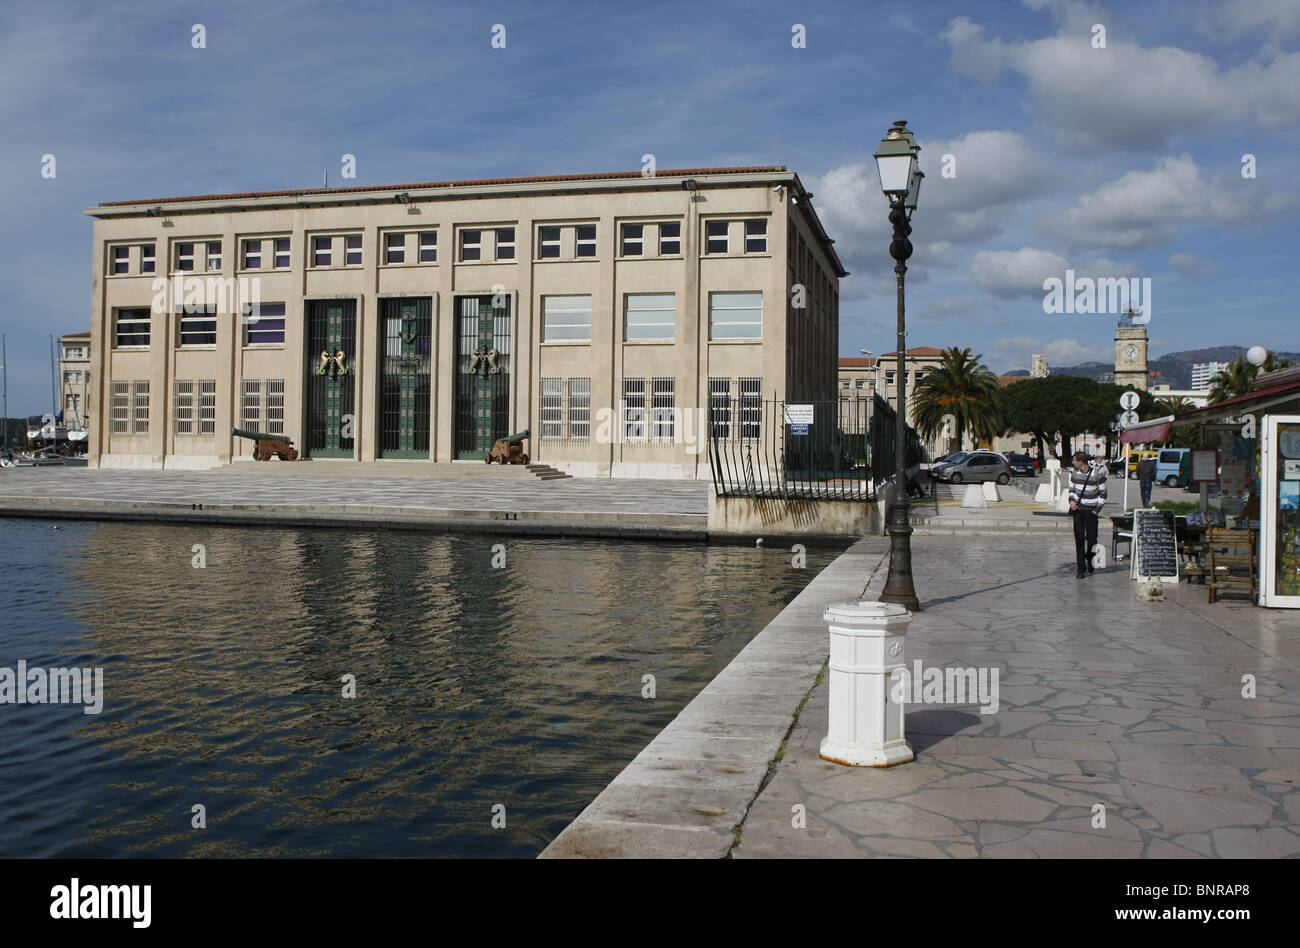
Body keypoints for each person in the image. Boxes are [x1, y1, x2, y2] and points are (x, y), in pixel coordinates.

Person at [1068, 450, 1108, 578]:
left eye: (1075, 460)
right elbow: (1072, 489)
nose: (1073, 462)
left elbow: (1103, 493)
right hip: (1078, 510)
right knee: (1079, 539)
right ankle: (1081, 568)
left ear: (1081, 462)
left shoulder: (1097, 475)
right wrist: (1071, 501)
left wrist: (1097, 509)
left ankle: (1090, 559)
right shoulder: (1075, 474)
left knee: (1092, 539)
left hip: (1091, 511)